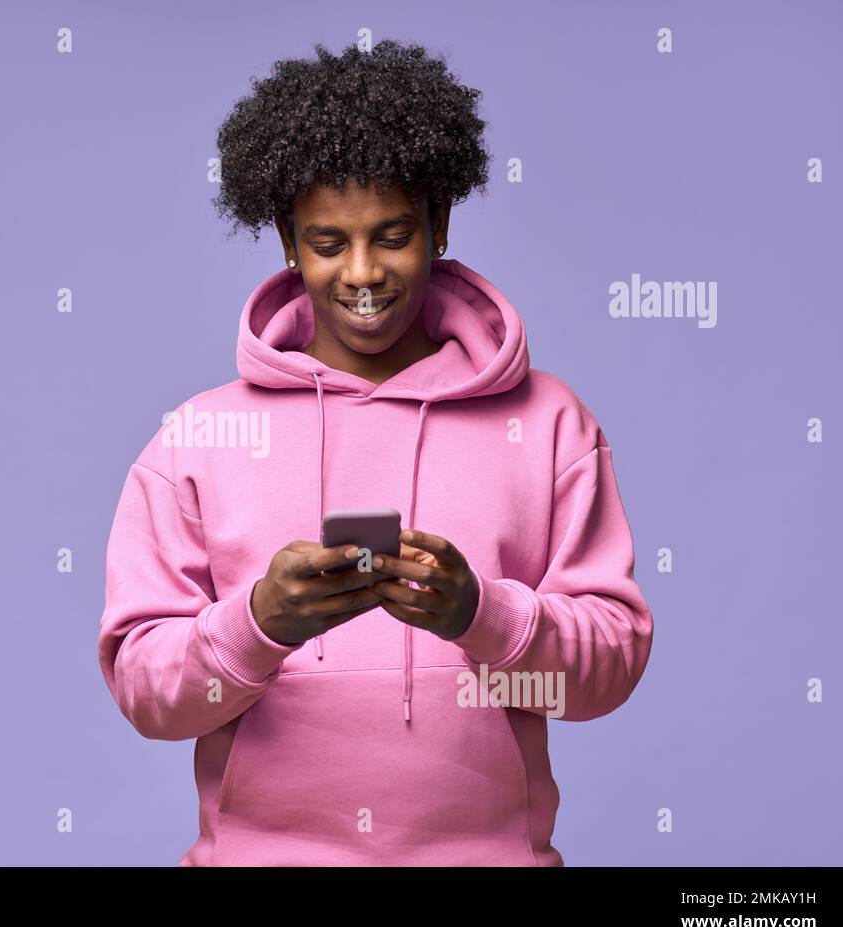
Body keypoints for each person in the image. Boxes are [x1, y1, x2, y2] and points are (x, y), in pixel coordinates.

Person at [97, 39, 653, 866]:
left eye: (392, 236)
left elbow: (607, 670)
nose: (363, 273)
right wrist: (258, 627)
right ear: (287, 241)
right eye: (328, 243)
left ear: (439, 225)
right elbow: (147, 696)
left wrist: (484, 617)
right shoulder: (197, 438)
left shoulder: (546, 422)